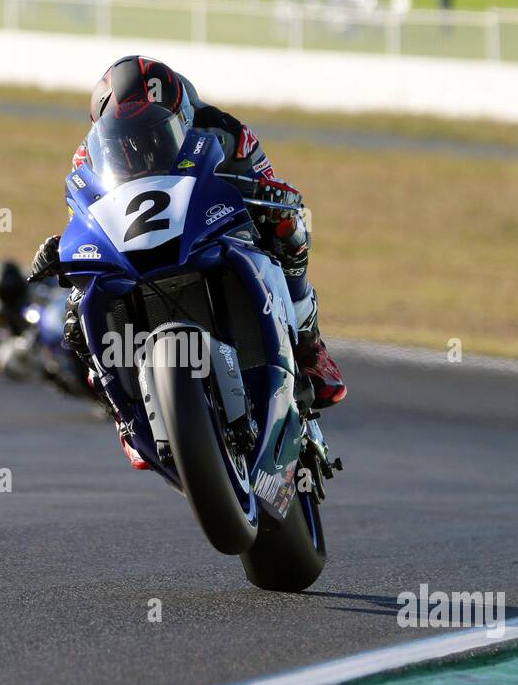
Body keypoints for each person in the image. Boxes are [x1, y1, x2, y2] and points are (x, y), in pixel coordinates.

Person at [29, 56, 346, 468]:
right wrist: (64, 248)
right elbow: (86, 216)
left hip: (215, 226)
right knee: (75, 318)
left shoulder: (225, 130)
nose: (140, 145)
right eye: (127, 136)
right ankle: (124, 418)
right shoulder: (84, 159)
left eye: (153, 130)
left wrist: (273, 201)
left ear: (180, 113)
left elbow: (268, 182)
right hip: (138, 246)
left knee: (290, 231)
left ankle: (308, 345)